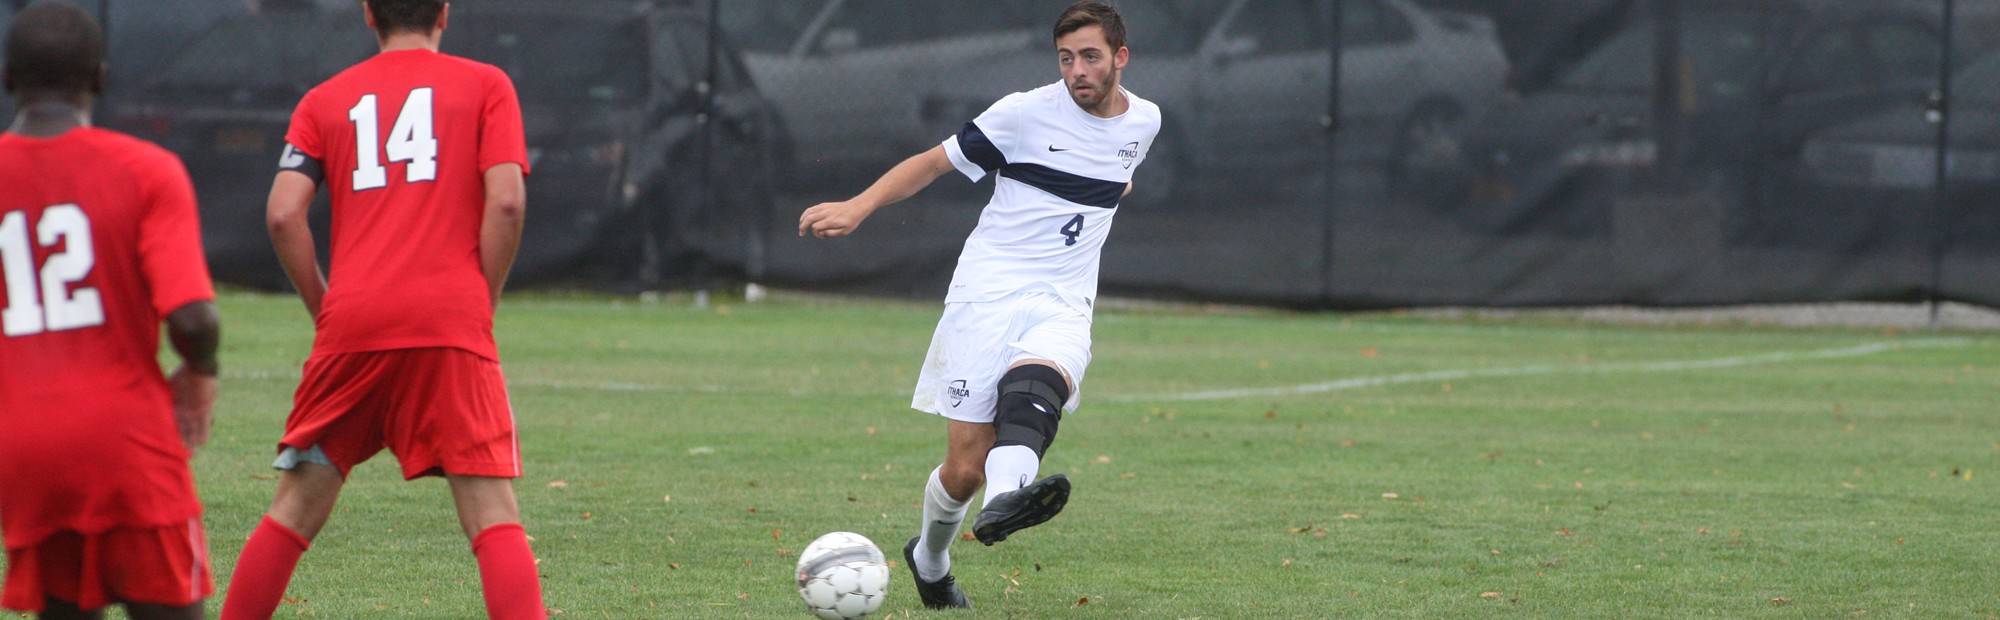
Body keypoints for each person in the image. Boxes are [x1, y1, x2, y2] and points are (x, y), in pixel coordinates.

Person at [797, 1, 1158, 609]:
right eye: (1066, 58)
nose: (1077, 71)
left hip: (1064, 300)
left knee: (1035, 393)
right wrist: (859, 206)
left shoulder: (1143, 122)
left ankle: (1003, 505)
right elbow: (932, 164)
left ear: (1120, 58)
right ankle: (929, 558)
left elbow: (1116, 181)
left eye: (1091, 56)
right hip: (987, 292)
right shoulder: (1021, 114)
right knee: (965, 465)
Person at [216, 1, 541, 618]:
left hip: (353, 325)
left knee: (293, 509)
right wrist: (481, 298)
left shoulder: (325, 98)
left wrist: (326, 307)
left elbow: (284, 212)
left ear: (368, 14)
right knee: (492, 516)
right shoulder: (486, 85)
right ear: (445, 12)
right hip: (450, 320)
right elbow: (507, 204)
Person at [0, 3, 223, 619]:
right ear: (100, 78)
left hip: (21, 450)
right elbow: (194, 319)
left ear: (7, 78)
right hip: (125, 442)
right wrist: (201, 373)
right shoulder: (145, 170)